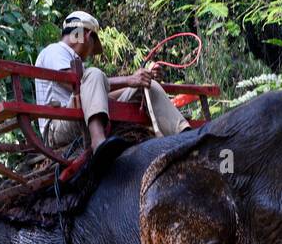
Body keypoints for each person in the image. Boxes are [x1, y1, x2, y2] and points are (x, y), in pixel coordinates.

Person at [33, 10, 190, 151]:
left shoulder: (77, 63)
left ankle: (184, 132)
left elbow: (95, 95)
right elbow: (76, 84)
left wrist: (140, 80)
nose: (90, 54)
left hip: (80, 114)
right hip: (59, 127)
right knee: (94, 74)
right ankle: (98, 142)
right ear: (87, 36)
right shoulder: (55, 51)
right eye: (93, 47)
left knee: (148, 85)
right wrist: (129, 80)